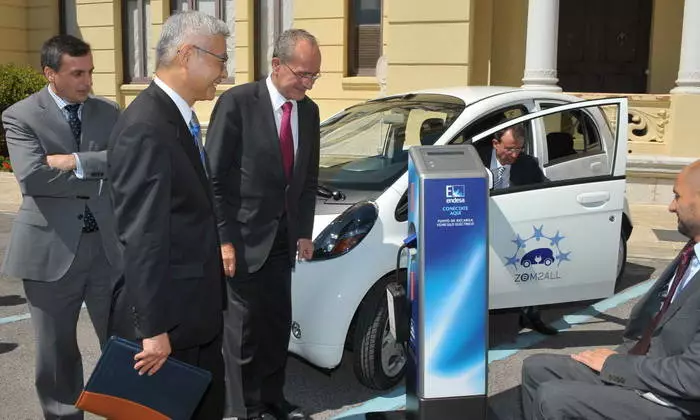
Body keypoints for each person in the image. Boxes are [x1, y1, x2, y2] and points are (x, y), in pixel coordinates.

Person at [107, 11, 229, 419]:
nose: (223, 74)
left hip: (192, 316)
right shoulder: (147, 125)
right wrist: (153, 330)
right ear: (186, 55)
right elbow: (142, 237)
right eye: (219, 61)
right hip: (169, 327)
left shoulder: (176, 117)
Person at [0, 34, 122, 419]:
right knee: (57, 353)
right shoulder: (20, 115)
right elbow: (33, 178)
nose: (87, 82)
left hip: (108, 249)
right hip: (49, 252)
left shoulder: (109, 112)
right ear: (50, 73)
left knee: (124, 344)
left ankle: (127, 411)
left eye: (90, 72)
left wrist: (72, 162)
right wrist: (97, 167)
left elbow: (123, 162)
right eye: (77, 74)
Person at [521, 159, 700, 420]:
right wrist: (622, 359)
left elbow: (692, 377)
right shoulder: (691, 251)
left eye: (677, 196)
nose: (671, 206)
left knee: (555, 397)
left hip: (676, 400)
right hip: (646, 365)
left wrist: (615, 365)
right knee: (537, 367)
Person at [205, 28, 321, 420]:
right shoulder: (237, 103)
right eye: (302, 74)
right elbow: (215, 179)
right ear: (276, 65)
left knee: (275, 326)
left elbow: (306, 179)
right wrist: (223, 239)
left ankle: (273, 400)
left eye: (313, 76)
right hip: (241, 240)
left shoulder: (309, 110)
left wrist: (303, 230)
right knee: (243, 334)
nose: (307, 83)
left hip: (284, 239)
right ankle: (244, 409)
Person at [474, 123, 557, 335]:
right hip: (479, 227)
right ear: (495, 143)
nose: (514, 155)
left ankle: (531, 315)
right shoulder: (473, 159)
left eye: (518, 149)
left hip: (514, 228)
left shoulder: (527, 163)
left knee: (530, 270)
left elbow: (545, 187)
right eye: (509, 149)